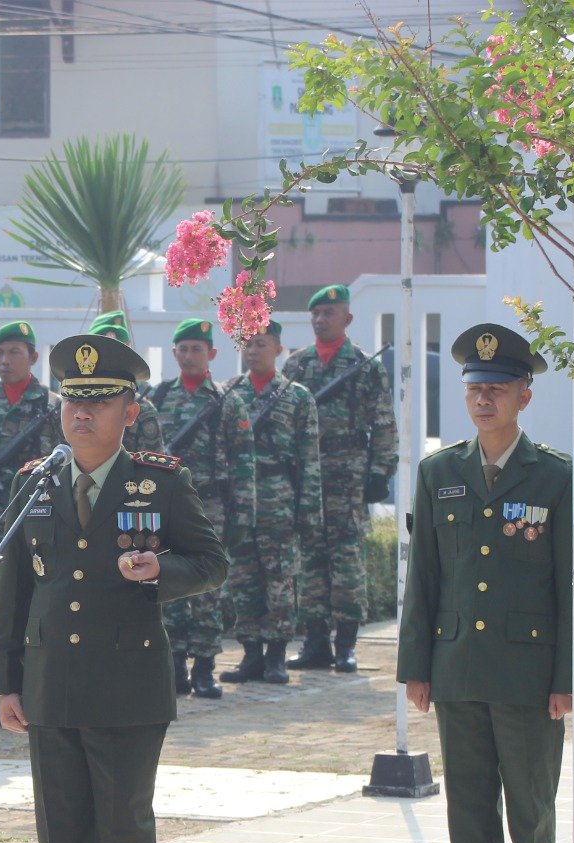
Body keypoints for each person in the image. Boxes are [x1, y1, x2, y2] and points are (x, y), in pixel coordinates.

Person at [0, 332, 227, 843]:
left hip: (127, 691)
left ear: (129, 409)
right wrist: (6, 683)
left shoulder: (158, 481)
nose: (81, 414)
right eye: (72, 400)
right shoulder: (34, 482)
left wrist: (161, 572)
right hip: (51, 689)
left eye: (99, 401)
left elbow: (212, 561)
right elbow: (12, 591)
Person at [397, 322, 570, 843]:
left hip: (528, 674)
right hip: (458, 670)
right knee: (468, 811)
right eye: (475, 387)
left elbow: (568, 586)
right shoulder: (439, 472)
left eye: (498, 387)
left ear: (525, 393)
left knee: (532, 813)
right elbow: (424, 577)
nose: (483, 399)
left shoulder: (555, 475)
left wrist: (565, 677)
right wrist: (416, 667)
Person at [281, 284, 397, 671]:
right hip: (307, 476)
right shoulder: (296, 367)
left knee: (348, 561)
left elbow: (383, 423)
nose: (320, 320)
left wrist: (380, 472)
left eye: (329, 313)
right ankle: (315, 642)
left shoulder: (365, 366)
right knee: (311, 559)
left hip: (349, 475)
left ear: (347, 319)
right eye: (316, 314)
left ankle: (346, 644)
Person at [148, 318, 254, 698]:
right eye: (183, 348)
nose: (190, 355)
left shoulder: (227, 401)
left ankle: (205, 666)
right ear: (174, 352)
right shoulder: (157, 398)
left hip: (210, 503)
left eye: (197, 348)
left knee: (207, 586)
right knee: (170, 579)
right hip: (165, 504)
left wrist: (243, 514)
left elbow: (244, 462)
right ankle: (175, 664)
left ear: (211, 354)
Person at [0, 321, 60, 728]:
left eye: (15, 353)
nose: (5, 361)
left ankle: (39, 689)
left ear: (33, 358)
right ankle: (2, 693)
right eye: (0, 354)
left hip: (40, 520)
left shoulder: (54, 407)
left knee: (37, 607)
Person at [220, 322, 321, 684]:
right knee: (243, 579)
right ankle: (250, 655)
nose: (252, 350)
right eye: (247, 344)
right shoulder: (228, 394)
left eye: (260, 344)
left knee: (279, 580)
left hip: (279, 501)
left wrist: (310, 512)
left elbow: (309, 458)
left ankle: (276, 655)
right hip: (240, 503)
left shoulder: (296, 396)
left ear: (278, 348)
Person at [89, 312, 166, 454]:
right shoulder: (71, 404)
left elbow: (153, 470)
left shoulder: (142, 409)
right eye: (103, 352)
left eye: (116, 352)